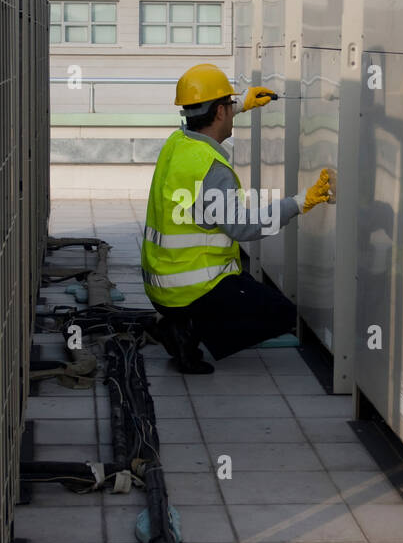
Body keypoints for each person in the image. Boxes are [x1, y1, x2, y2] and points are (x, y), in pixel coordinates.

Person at [141, 63, 333, 373]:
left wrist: (241, 103)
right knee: (281, 314)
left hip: (161, 286)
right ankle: (186, 334)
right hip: (190, 290)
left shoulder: (177, 144)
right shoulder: (213, 169)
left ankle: (177, 323)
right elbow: (244, 227)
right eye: (229, 106)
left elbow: (201, 118)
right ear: (219, 112)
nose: (232, 110)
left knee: (245, 287)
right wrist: (300, 202)